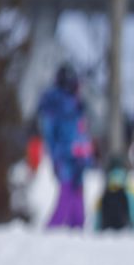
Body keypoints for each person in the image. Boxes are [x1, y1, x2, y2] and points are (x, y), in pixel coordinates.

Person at [36, 65, 92, 230]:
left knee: (78, 205)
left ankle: (76, 232)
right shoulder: (56, 105)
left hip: (78, 159)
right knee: (65, 198)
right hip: (65, 158)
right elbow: (51, 136)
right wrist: (58, 157)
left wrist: (85, 154)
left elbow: (81, 133)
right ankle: (50, 233)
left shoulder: (76, 105)